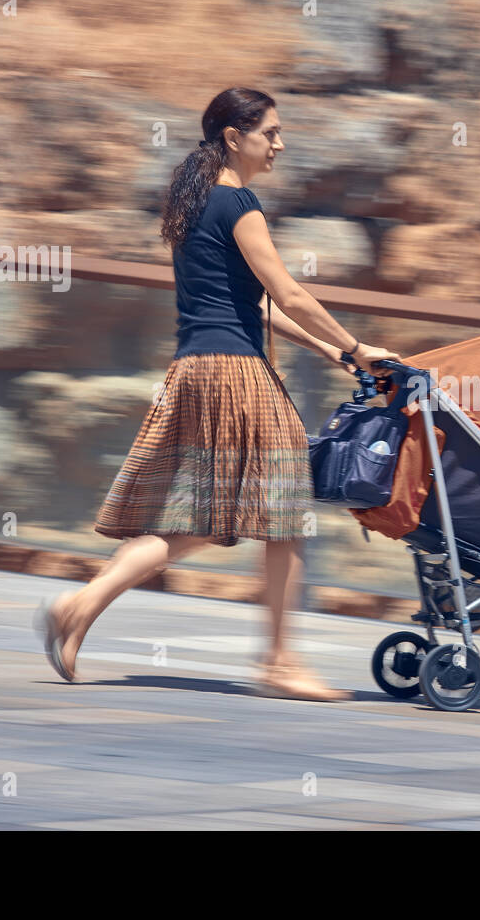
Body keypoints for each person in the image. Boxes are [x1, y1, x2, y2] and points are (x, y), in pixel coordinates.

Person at [34, 87, 401, 701]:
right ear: (235, 136)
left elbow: (250, 305)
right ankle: (280, 663)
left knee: (211, 518)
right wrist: (360, 347)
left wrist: (333, 354)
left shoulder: (195, 200)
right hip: (236, 375)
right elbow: (288, 294)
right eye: (271, 132)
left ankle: (80, 603)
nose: (280, 144)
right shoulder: (239, 202)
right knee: (286, 511)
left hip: (195, 368)